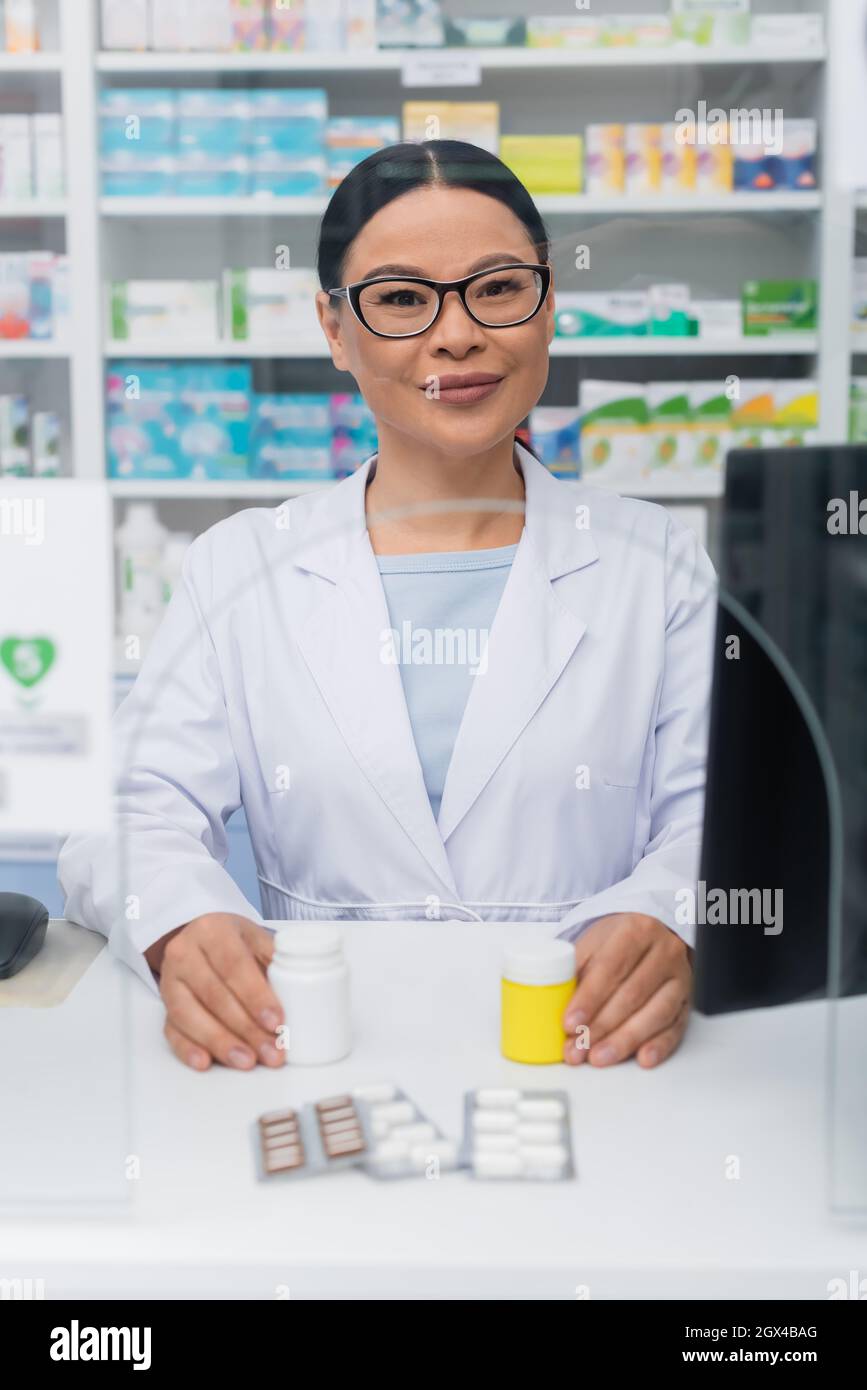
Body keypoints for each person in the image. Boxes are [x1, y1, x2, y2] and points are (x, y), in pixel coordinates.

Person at [59, 140, 716, 1074]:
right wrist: (178, 920)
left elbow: (713, 817)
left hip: (582, 1049)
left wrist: (669, 914)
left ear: (547, 307)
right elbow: (125, 811)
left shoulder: (657, 564)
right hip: (320, 1054)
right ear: (335, 329)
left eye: (495, 288)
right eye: (402, 299)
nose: (456, 334)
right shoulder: (243, 566)